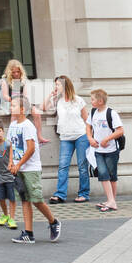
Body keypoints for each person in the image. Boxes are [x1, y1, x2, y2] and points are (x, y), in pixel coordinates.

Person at [8, 94, 61, 244]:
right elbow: (11, 144)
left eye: (14, 106)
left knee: (36, 200)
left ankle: (53, 221)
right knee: (25, 200)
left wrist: (18, 164)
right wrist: (11, 162)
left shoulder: (27, 125)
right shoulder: (13, 125)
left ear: (23, 109)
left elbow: (31, 148)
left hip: (30, 168)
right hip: (18, 168)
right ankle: (29, 233)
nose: (11, 108)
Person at [45, 74, 90, 205]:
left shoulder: (78, 100)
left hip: (81, 135)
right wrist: (50, 95)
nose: (56, 86)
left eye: (58, 84)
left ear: (65, 85)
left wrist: (90, 136)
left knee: (82, 166)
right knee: (63, 166)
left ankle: (83, 194)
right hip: (65, 137)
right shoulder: (57, 101)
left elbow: (87, 119)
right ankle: (60, 194)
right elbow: (43, 107)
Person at [85, 88, 124, 212]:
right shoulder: (92, 112)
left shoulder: (111, 113)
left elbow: (120, 130)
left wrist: (107, 139)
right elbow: (88, 126)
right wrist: (90, 138)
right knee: (103, 174)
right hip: (98, 151)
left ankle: (112, 201)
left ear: (100, 101)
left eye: (92, 99)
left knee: (112, 176)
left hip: (112, 151)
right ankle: (110, 200)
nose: (91, 102)